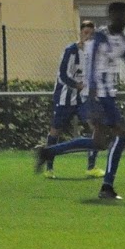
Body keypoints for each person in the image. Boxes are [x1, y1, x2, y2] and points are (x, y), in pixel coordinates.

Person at [37, 1, 125, 200]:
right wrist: (92, 101)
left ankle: (48, 152)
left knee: (99, 142)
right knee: (121, 135)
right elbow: (91, 69)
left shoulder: (122, 39)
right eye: (120, 16)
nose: (124, 20)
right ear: (111, 16)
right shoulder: (99, 38)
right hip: (98, 96)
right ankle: (107, 186)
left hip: (106, 95)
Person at [36, 20, 101, 179]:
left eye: (91, 34)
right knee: (55, 130)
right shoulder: (70, 50)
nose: (88, 37)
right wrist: (76, 85)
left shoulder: (93, 54)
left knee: (96, 127)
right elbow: (62, 75)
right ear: (80, 33)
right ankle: (49, 168)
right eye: (86, 33)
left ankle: (91, 167)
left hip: (83, 99)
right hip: (65, 97)